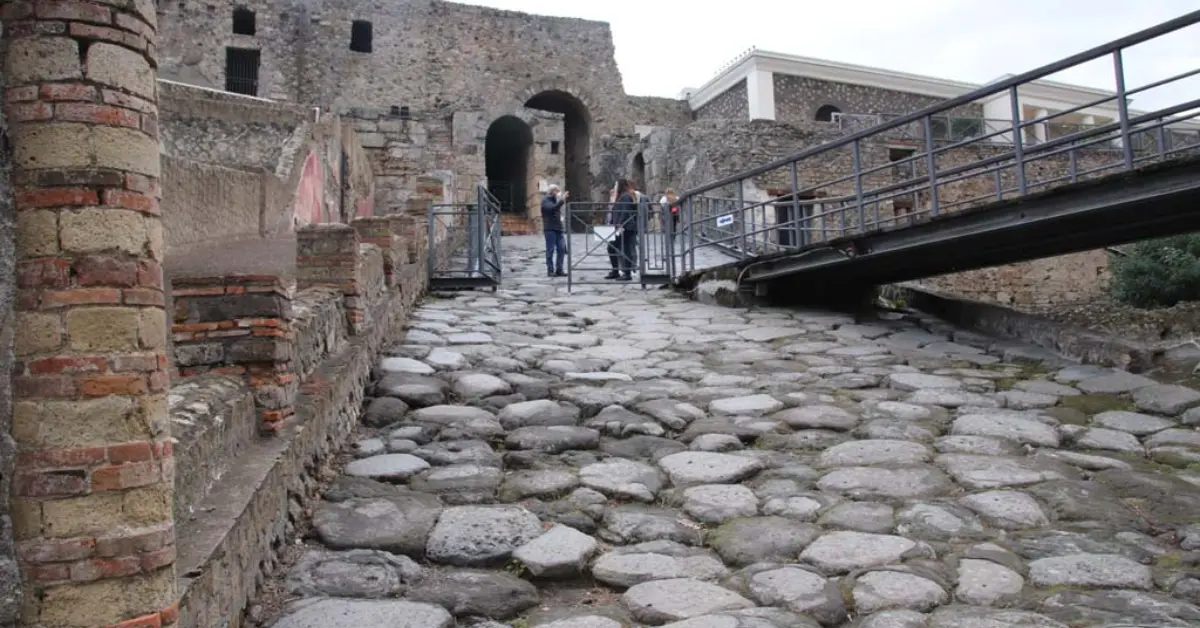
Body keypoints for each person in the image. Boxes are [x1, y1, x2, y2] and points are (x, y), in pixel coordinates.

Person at [608, 179, 638, 281]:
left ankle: (627, 273)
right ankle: (615, 270)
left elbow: (625, 212)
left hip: (625, 227)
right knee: (612, 247)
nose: (615, 187)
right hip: (618, 226)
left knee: (625, 249)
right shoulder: (620, 196)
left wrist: (620, 224)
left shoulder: (625, 196)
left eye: (616, 185)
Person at [541, 184, 568, 277]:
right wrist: (562, 200)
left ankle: (559, 269)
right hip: (550, 229)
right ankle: (550, 270)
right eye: (557, 191)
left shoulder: (555, 200)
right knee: (550, 250)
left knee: (561, 249)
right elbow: (552, 208)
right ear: (552, 191)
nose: (558, 193)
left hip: (558, 229)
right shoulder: (545, 200)